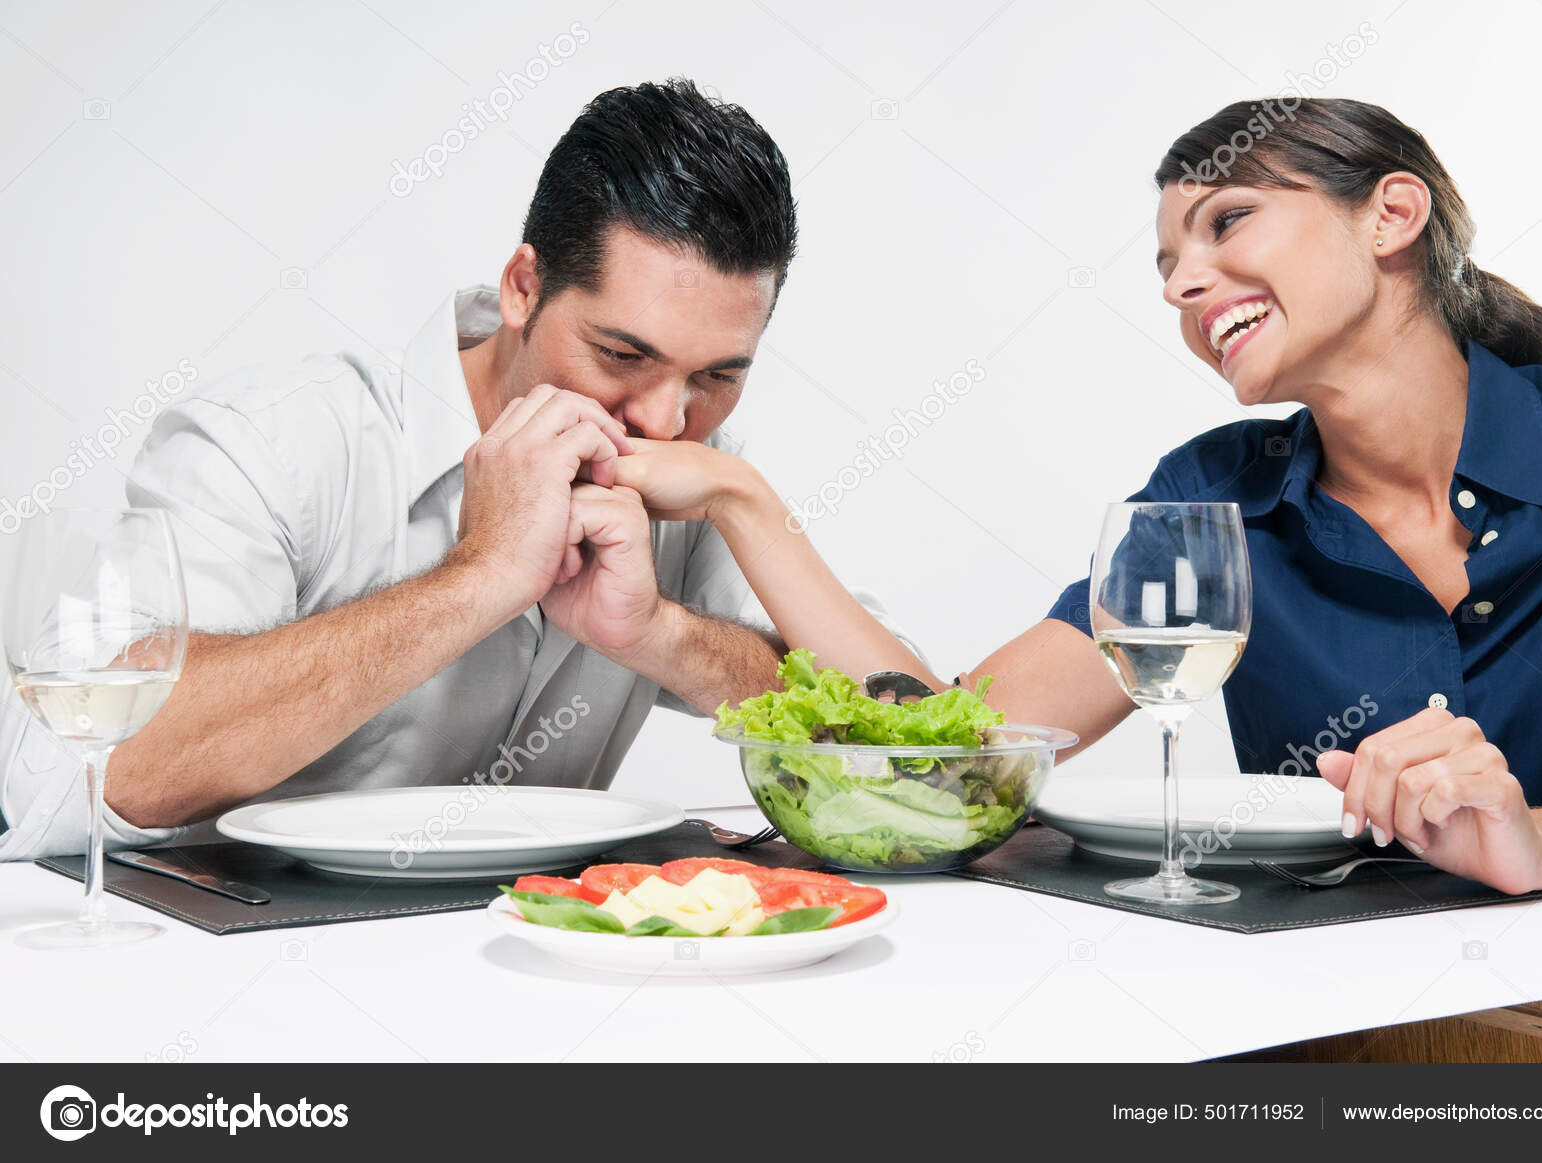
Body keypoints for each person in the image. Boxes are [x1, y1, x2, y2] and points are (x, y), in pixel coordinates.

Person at [613, 97, 1542, 895]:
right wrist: (742, 501)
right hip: (1320, 1013)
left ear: (1390, 213)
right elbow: (955, 754)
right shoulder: (1211, 503)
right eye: (1169, 266)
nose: (1181, 287)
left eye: (1226, 222)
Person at [0, 79, 917, 860]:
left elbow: (908, 750)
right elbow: (79, 779)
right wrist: (477, 580)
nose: (665, 419)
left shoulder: (690, 470)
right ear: (523, 286)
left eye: (718, 376)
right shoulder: (275, 444)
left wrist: (662, 630)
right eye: (621, 354)